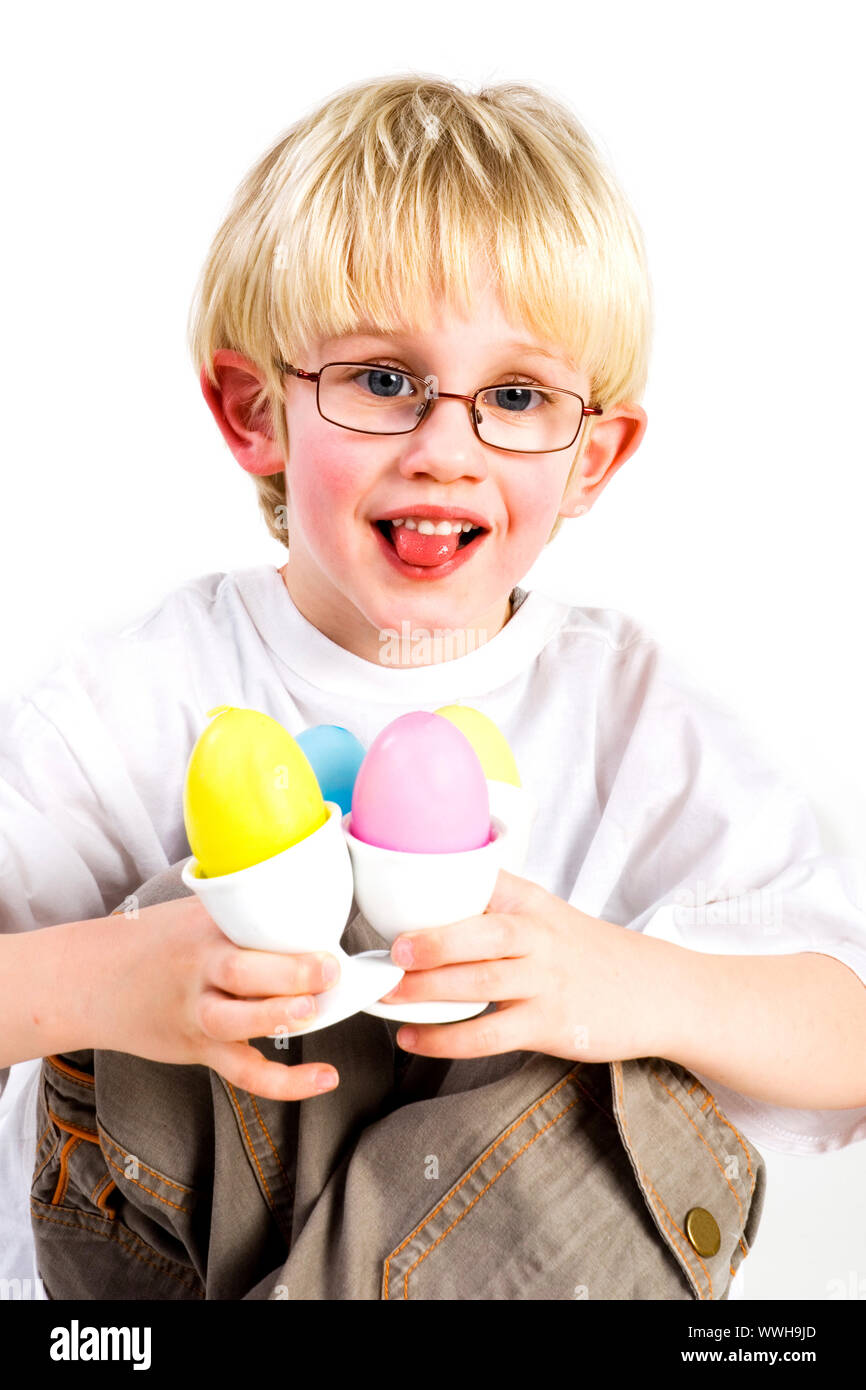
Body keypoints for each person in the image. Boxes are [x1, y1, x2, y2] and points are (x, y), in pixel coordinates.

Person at [2, 74, 866, 1301]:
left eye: (515, 397)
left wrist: (613, 981)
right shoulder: (132, 701)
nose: (445, 447)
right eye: (381, 379)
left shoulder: (627, 720)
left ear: (590, 458)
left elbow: (848, 1030)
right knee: (170, 903)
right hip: (168, 1264)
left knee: (613, 1057)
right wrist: (111, 980)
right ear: (256, 411)